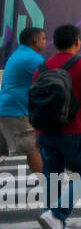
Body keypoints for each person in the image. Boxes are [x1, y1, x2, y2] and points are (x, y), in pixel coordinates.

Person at [31, 25, 81, 229]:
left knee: (52, 176)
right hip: (75, 130)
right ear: (77, 41)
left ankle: (54, 226)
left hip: (45, 131)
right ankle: (56, 215)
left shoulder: (42, 67)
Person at [0, 26, 46, 174]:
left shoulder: (19, 53)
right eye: (43, 38)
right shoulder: (31, 58)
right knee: (33, 148)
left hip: (8, 108)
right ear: (34, 40)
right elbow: (54, 77)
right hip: (16, 111)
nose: (46, 42)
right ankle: (50, 186)